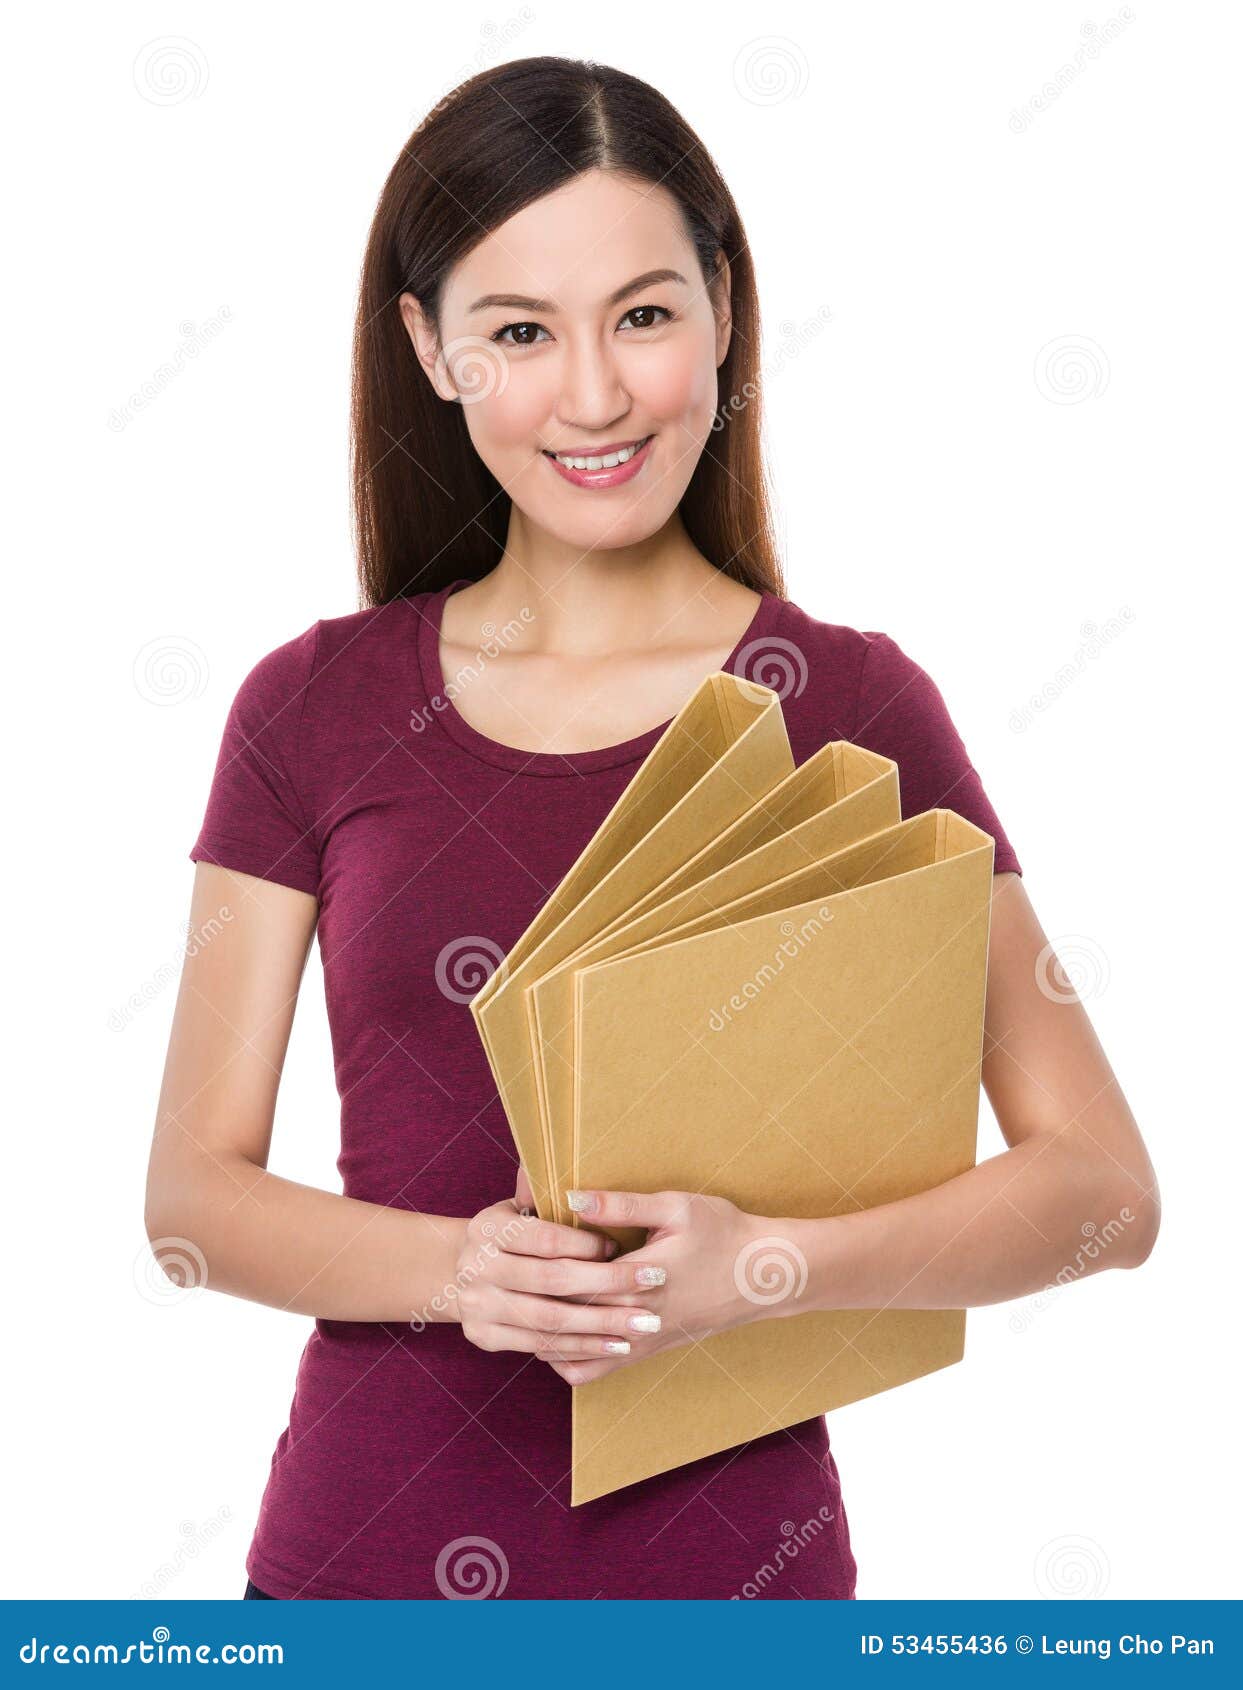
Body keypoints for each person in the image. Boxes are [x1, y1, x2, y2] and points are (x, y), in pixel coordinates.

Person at [145, 55, 1160, 1602]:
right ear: (427, 350)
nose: (595, 396)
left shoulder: (850, 704)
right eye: (518, 333)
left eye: (642, 314)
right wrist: (459, 1271)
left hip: (737, 1593)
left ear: (725, 310)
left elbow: (1104, 1187)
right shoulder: (313, 709)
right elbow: (189, 1198)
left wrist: (772, 1268)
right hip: (358, 1582)